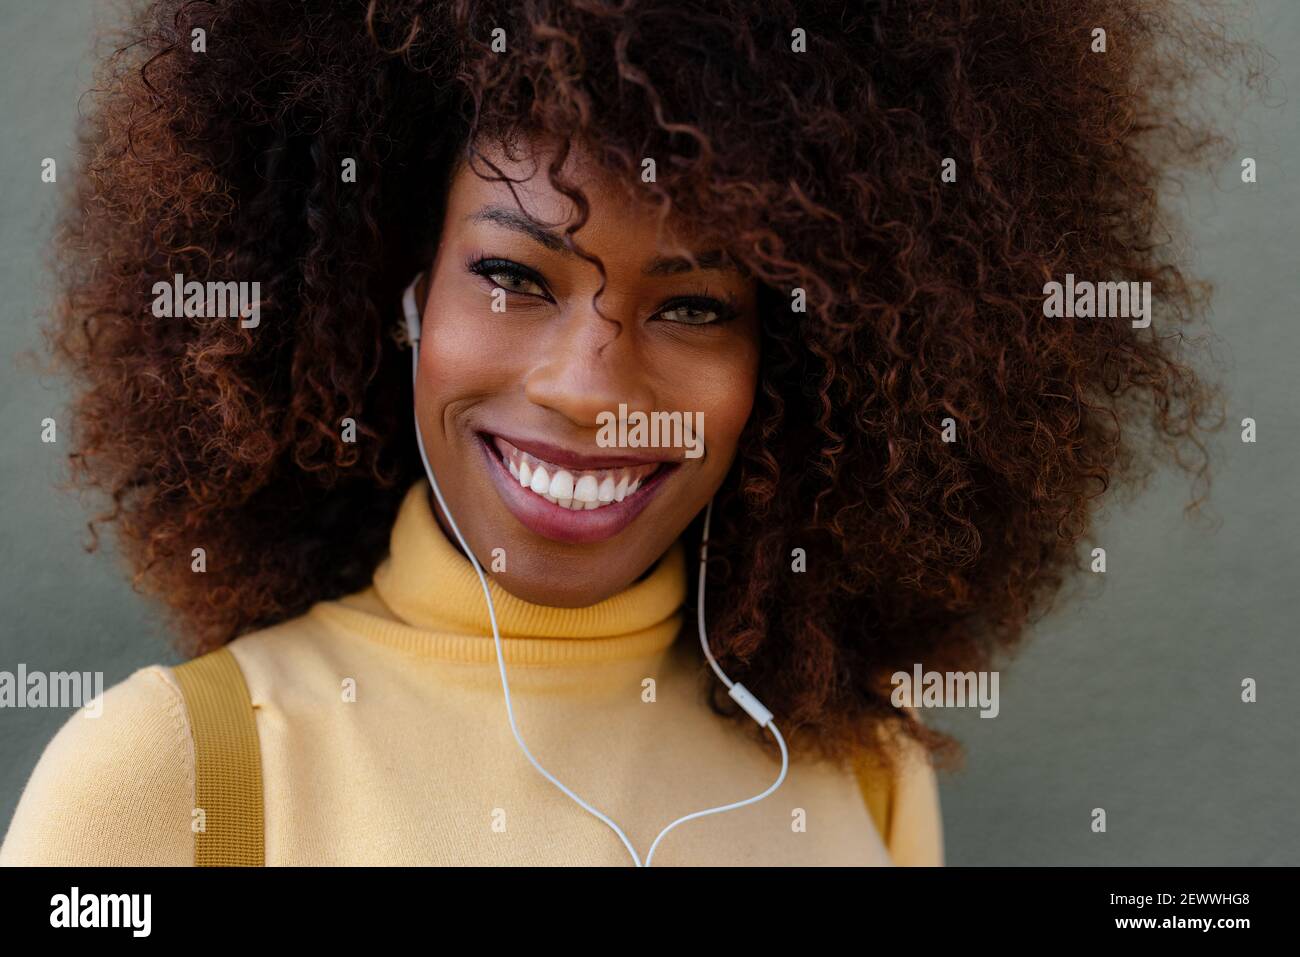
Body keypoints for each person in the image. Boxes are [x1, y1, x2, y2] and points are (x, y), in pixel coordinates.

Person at [1, 0, 1230, 866]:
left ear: (796, 372)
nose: (590, 387)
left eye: (695, 306)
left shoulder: (862, 772)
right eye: (515, 277)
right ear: (396, 291)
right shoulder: (174, 781)